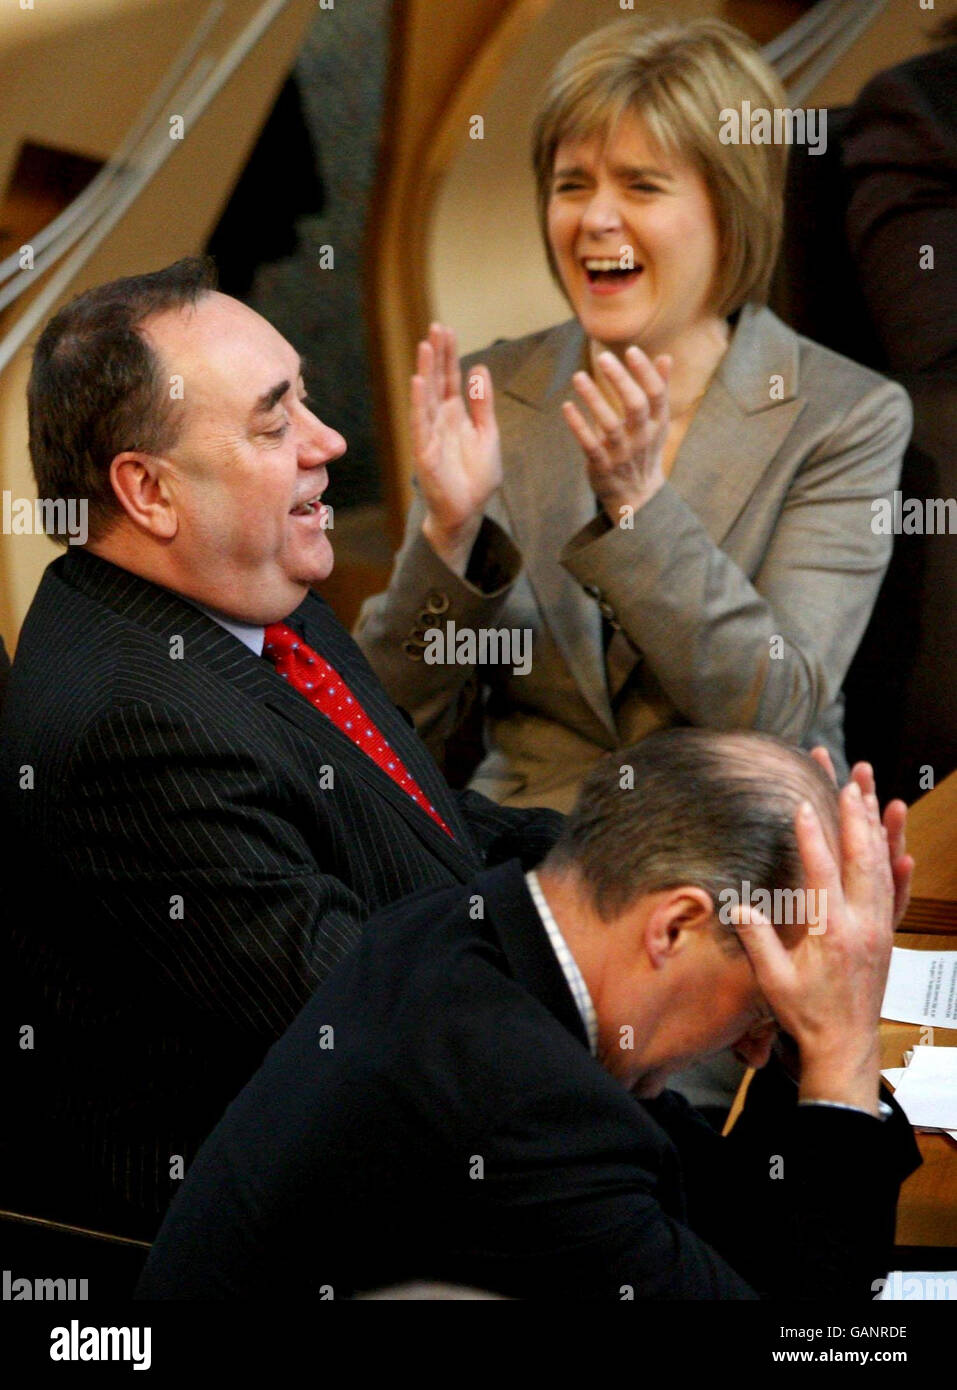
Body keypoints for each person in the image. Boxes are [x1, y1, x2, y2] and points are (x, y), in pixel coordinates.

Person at [0, 258, 562, 1239]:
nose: (330, 441)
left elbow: (419, 820)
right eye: (274, 422)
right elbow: (379, 1026)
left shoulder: (252, 592)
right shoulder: (133, 727)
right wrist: (615, 965)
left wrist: (644, 862)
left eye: (304, 397)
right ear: (149, 489)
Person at [136, 729, 919, 1301]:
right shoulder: (522, 1109)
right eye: (763, 999)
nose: (754, 1048)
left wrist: (802, 1046)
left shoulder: (467, 927)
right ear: (674, 927)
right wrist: (840, 1049)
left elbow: (728, 1231)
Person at [356, 17, 912, 815]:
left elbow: (778, 716)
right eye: (571, 183)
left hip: (736, 848)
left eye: (641, 186)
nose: (595, 219)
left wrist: (638, 508)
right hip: (527, 858)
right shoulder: (490, 393)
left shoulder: (843, 417)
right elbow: (388, 725)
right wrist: (447, 538)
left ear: (731, 207)